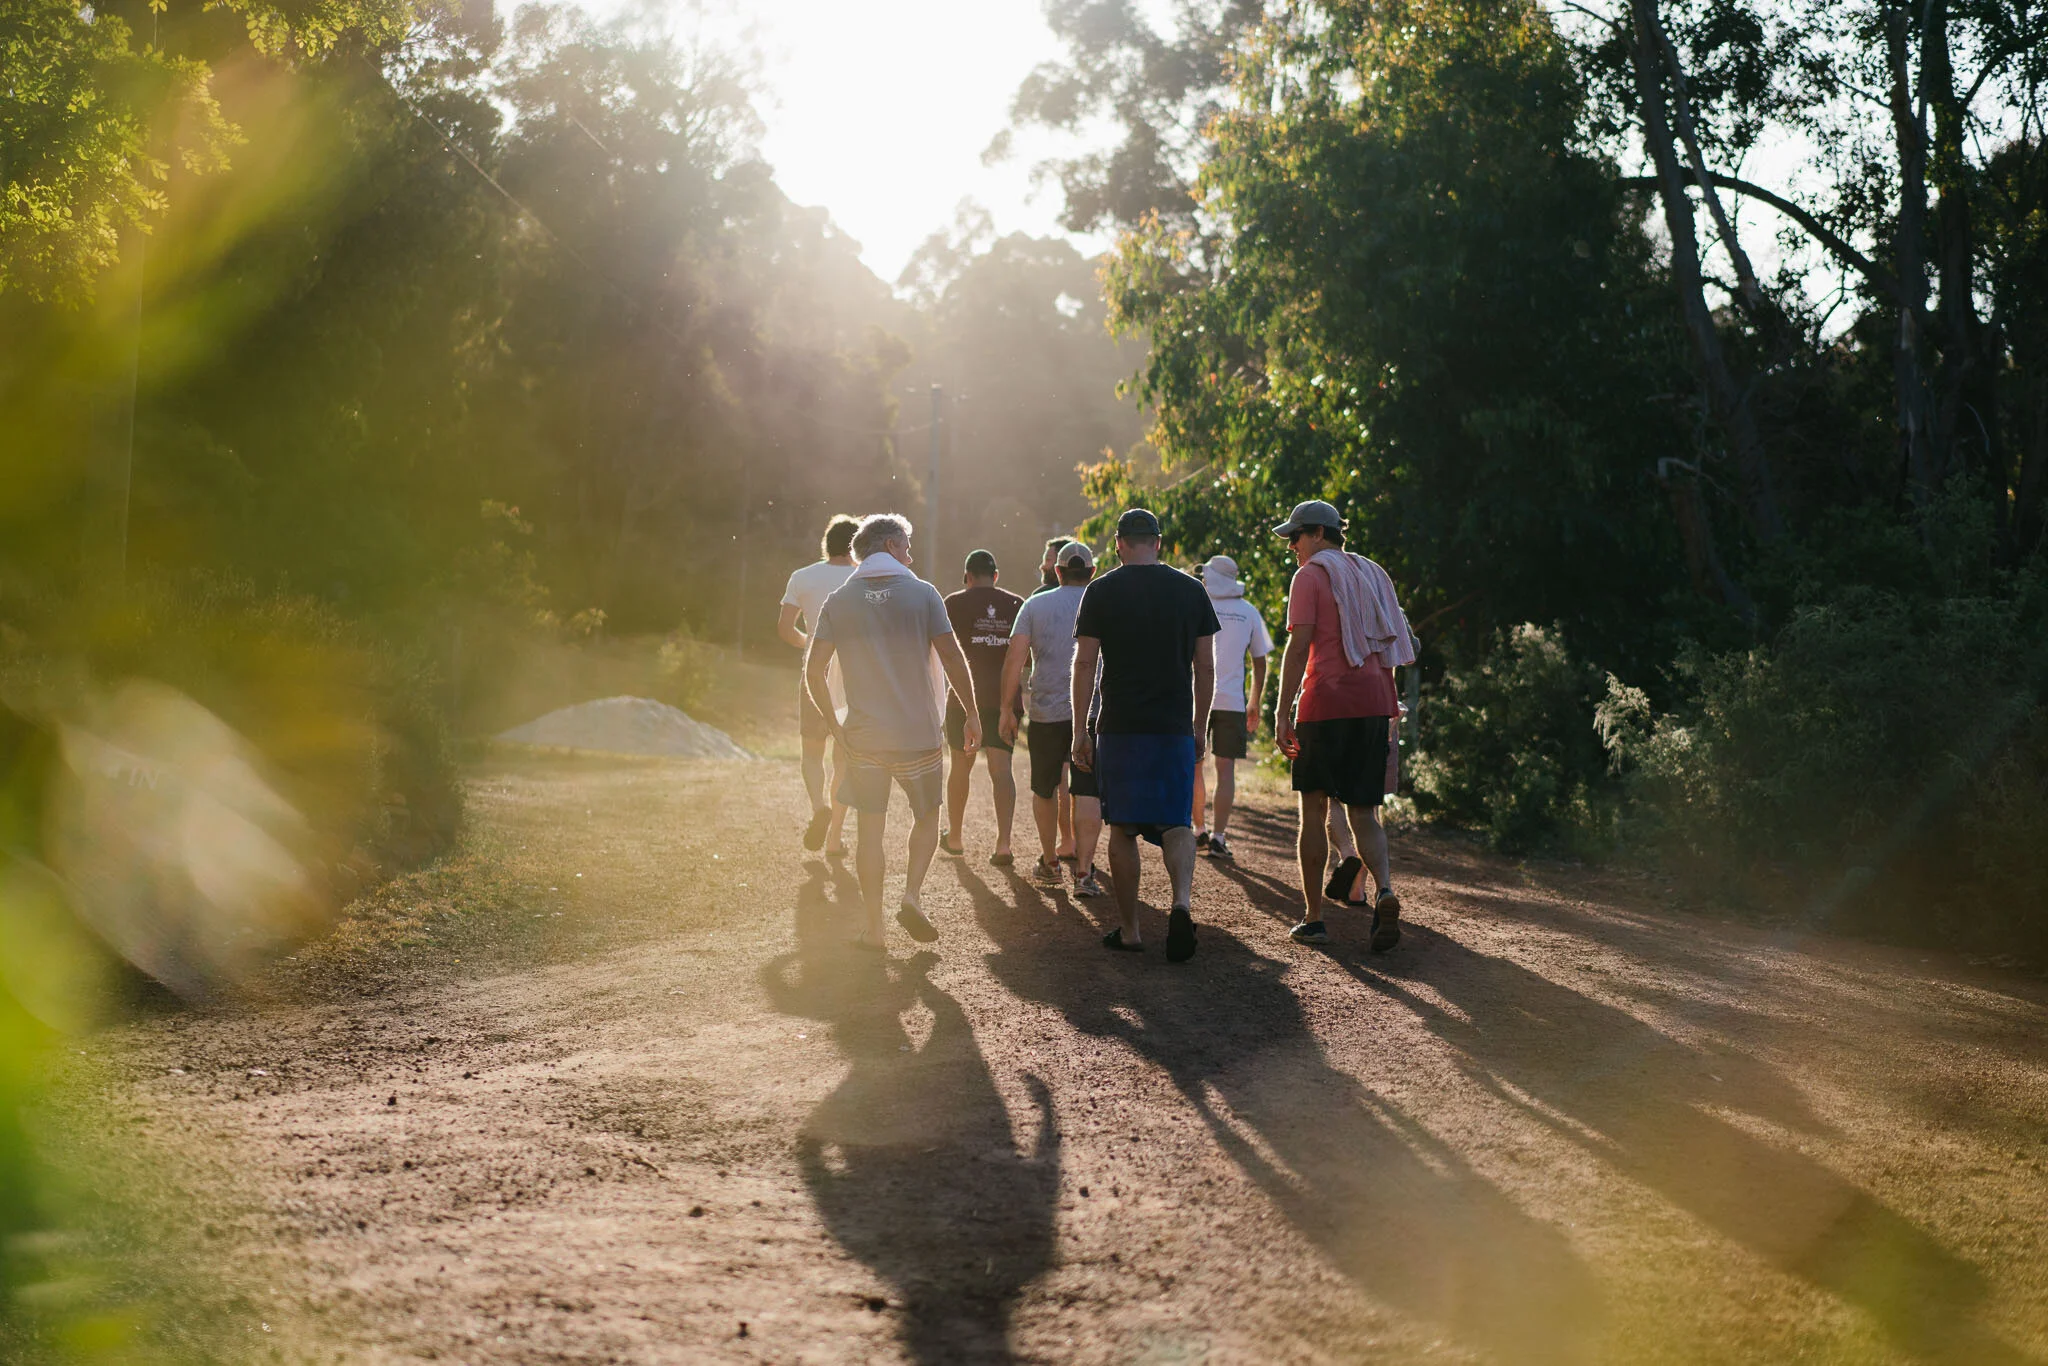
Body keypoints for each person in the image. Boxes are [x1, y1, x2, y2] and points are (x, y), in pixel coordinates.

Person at [805, 514, 983, 950]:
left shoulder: (838, 600)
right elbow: (953, 657)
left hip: (863, 737)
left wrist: (833, 723)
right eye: (906, 545)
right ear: (887, 544)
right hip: (918, 733)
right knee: (926, 817)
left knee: (869, 831)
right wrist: (973, 712)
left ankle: (875, 929)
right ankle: (911, 896)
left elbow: (813, 670)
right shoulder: (923, 593)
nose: (911, 553)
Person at [1072, 509, 1219, 961]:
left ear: (1118, 543)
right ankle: (1181, 904)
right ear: (1158, 542)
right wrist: (1200, 726)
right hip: (1173, 725)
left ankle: (1131, 929)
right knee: (1177, 822)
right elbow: (1206, 666)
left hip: (1120, 726)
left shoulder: (1100, 591)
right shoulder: (1191, 590)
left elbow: (1085, 664)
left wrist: (1081, 729)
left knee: (1124, 828)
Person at [1271, 500, 1415, 951]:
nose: (1292, 545)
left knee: (1312, 809)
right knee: (1364, 812)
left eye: (1295, 536)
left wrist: (1282, 712)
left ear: (1317, 533)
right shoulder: (1372, 573)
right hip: (1375, 703)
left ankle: (1314, 918)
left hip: (1326, 703)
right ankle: (1385, 892)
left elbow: (1299, 649)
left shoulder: (1310, 575)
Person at [998, 541, 1105, 896]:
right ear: (1092, 572)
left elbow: (1014, 660)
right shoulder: (1103, 601)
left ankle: (1050, 862)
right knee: (1087, 789)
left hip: (1046, 714)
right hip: (1092, 714)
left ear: (1056, 571)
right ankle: (1086, 872)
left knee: (1044, 788)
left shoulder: (1035, 604)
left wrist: (1006, 710)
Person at [779, 514, 858, 855]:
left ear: (827, 543)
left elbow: (784, 628)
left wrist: (809, 644)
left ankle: (817, 809)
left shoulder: (803, 577)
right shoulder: (864, 579)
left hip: (815, 672)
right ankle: (835, 838)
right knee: (844, 759)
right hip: (854, 677)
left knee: (811, 752)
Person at [941, 550, 1023, 864]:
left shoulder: (954, 603)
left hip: (964, 701)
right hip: (1004, 699)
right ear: (996, 575)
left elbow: (943, 652)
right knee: (1001, 771)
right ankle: (1003, 844)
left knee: (960, 767)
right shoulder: (1015, 603)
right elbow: (1023, 657)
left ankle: (956, 837)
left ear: (968, 577)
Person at [1190, 554, 1271, 861]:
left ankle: (1199, 831)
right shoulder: (1248, 612)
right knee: (1226, 771)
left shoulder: (1197, 604)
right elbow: (1260, 661)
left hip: (1196, 699)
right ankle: (1219, 837)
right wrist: (1255, 701)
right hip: (1232, 703)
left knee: (1195, 765)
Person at [1027, 534, 1079, 861]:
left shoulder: (1039, 598)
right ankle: (1071, 842)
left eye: (1049, 558)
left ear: (1060, 567)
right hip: (1078, 702)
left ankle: (1065, 842)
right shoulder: (1090, 596)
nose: (1044, 564)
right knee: (1073, 778)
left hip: (1054, 703)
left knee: (1060, 779)